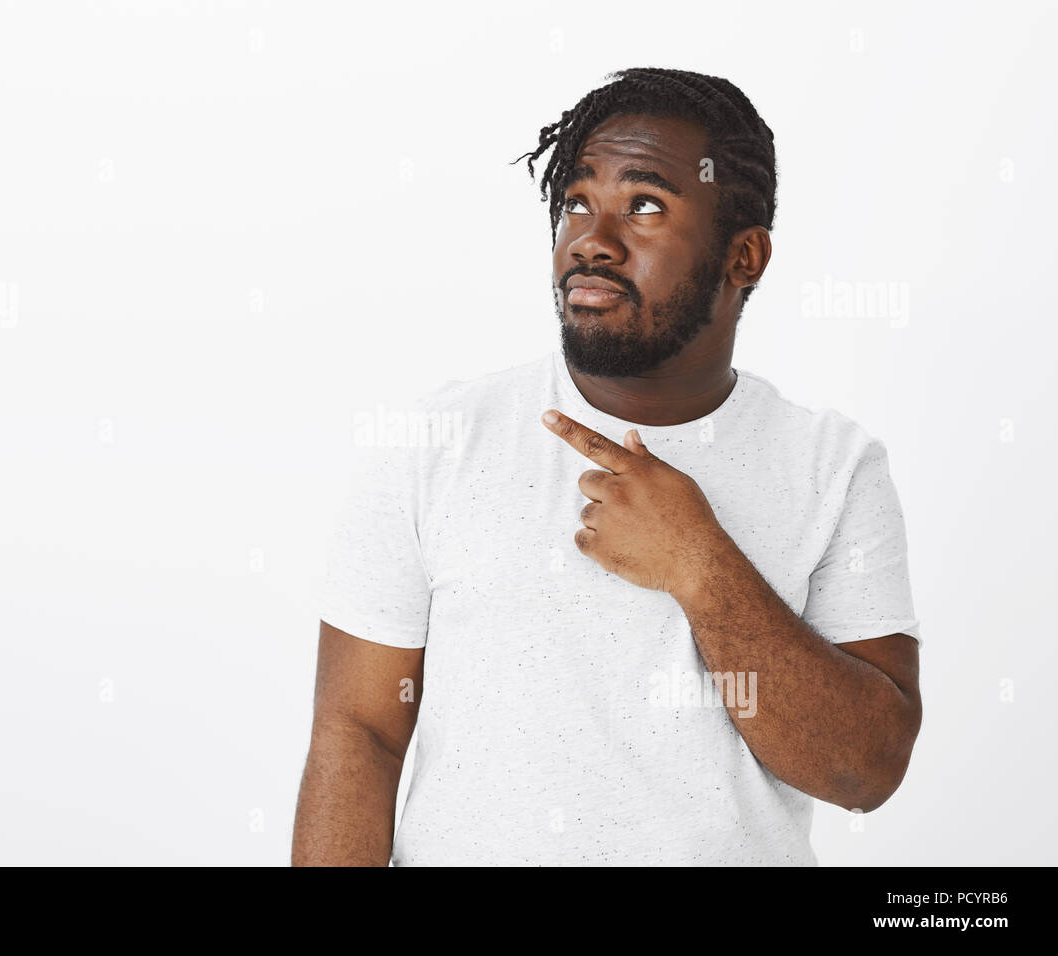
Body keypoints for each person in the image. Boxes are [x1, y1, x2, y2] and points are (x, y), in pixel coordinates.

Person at [293, 67, 922, 866]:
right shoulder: (435, 443)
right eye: (576, 203)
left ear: (746, 257)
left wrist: (700, 563)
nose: (591, 239)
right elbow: (360, 735)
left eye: (646, 205)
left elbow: (863, 770)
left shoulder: (834, 467)